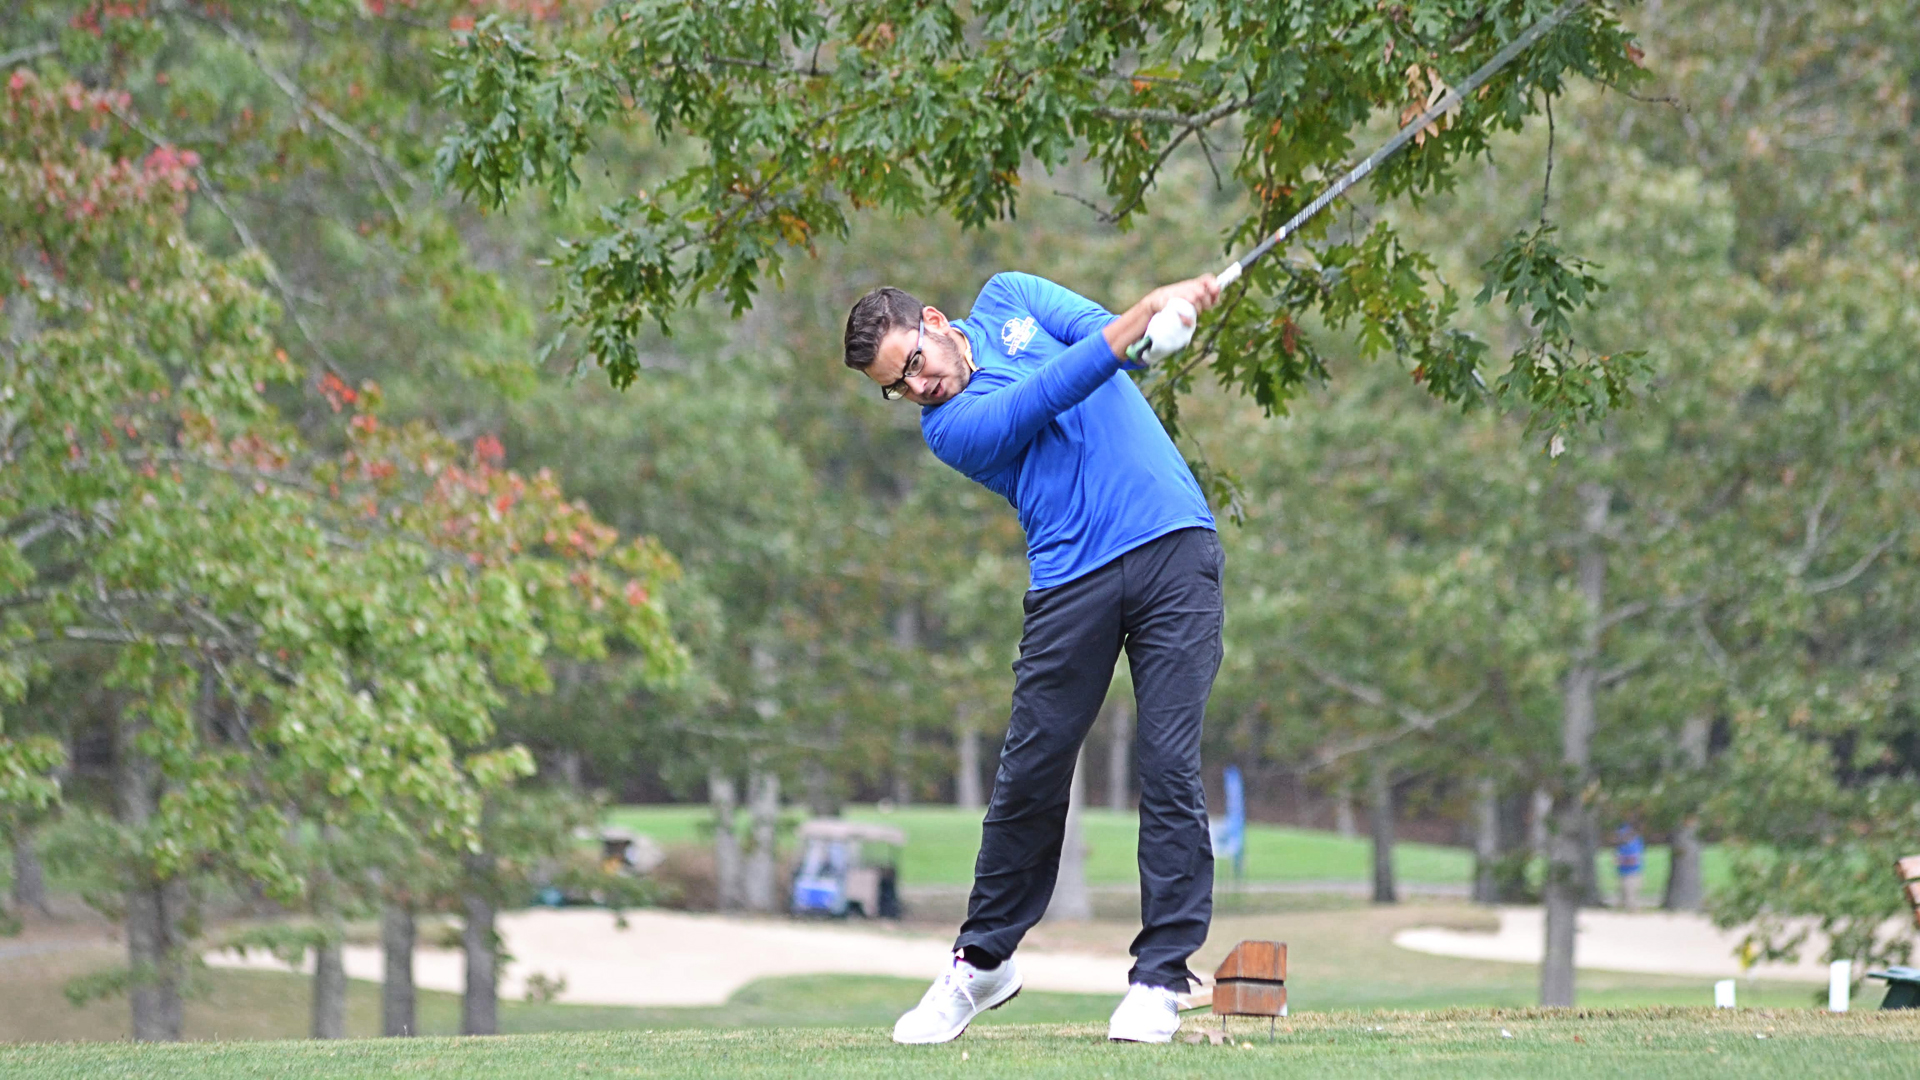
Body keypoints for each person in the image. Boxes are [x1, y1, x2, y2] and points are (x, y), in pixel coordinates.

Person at [842, 270, 1224, 1044]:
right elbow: (1053, 388)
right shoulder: (950, 429)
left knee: (1169, 763)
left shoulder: (1011, 295)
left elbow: (1109, 342)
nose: (916, 388)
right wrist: (1142, 314)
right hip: (1071, 580)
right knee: (1032, 770)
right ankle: (982, 964)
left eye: (913, 363)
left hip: (1174, 545)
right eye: (896, 387)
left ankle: (1160, 977)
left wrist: (1158, 324)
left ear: (939, 322)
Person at [1614, 823, 1645, 912]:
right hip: (1623, 872)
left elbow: (1634, 860)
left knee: (1631, 895)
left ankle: (1633, 912)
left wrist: (1621, 861)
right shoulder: (1622, 845)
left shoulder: (1634, 844)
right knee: (1623, 894)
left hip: (1632, 873)